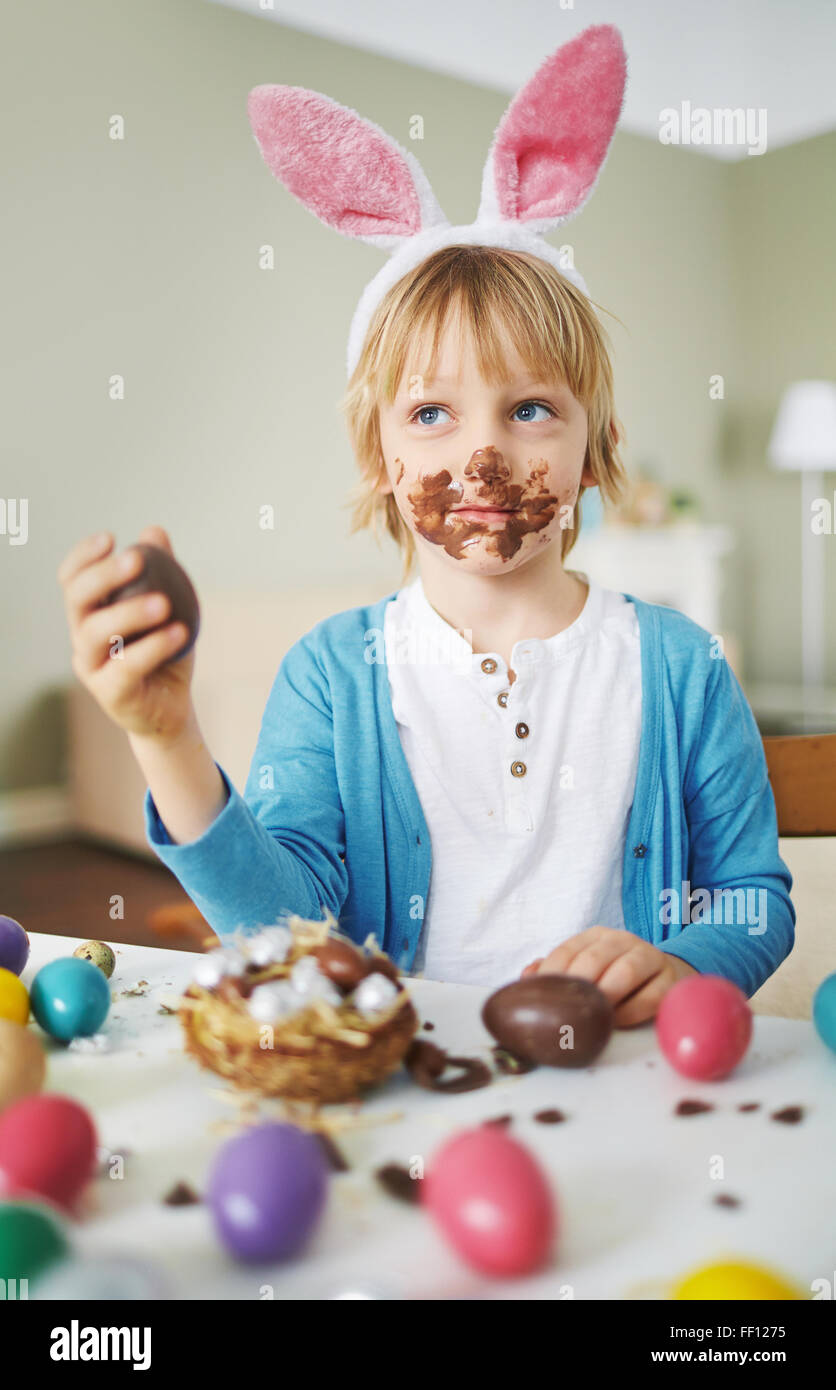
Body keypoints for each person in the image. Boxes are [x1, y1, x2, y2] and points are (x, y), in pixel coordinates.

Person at [56, 25, 794, 1023]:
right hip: (401, 1101)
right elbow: (283, 935)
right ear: (379, 456)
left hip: (621, 1092)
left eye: (529, 408)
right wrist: (166, 740)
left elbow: (753, 896)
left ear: (595, 446)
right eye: (430, 413)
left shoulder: (680, 664)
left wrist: (687, 965)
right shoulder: (326, 674)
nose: (476, 455)